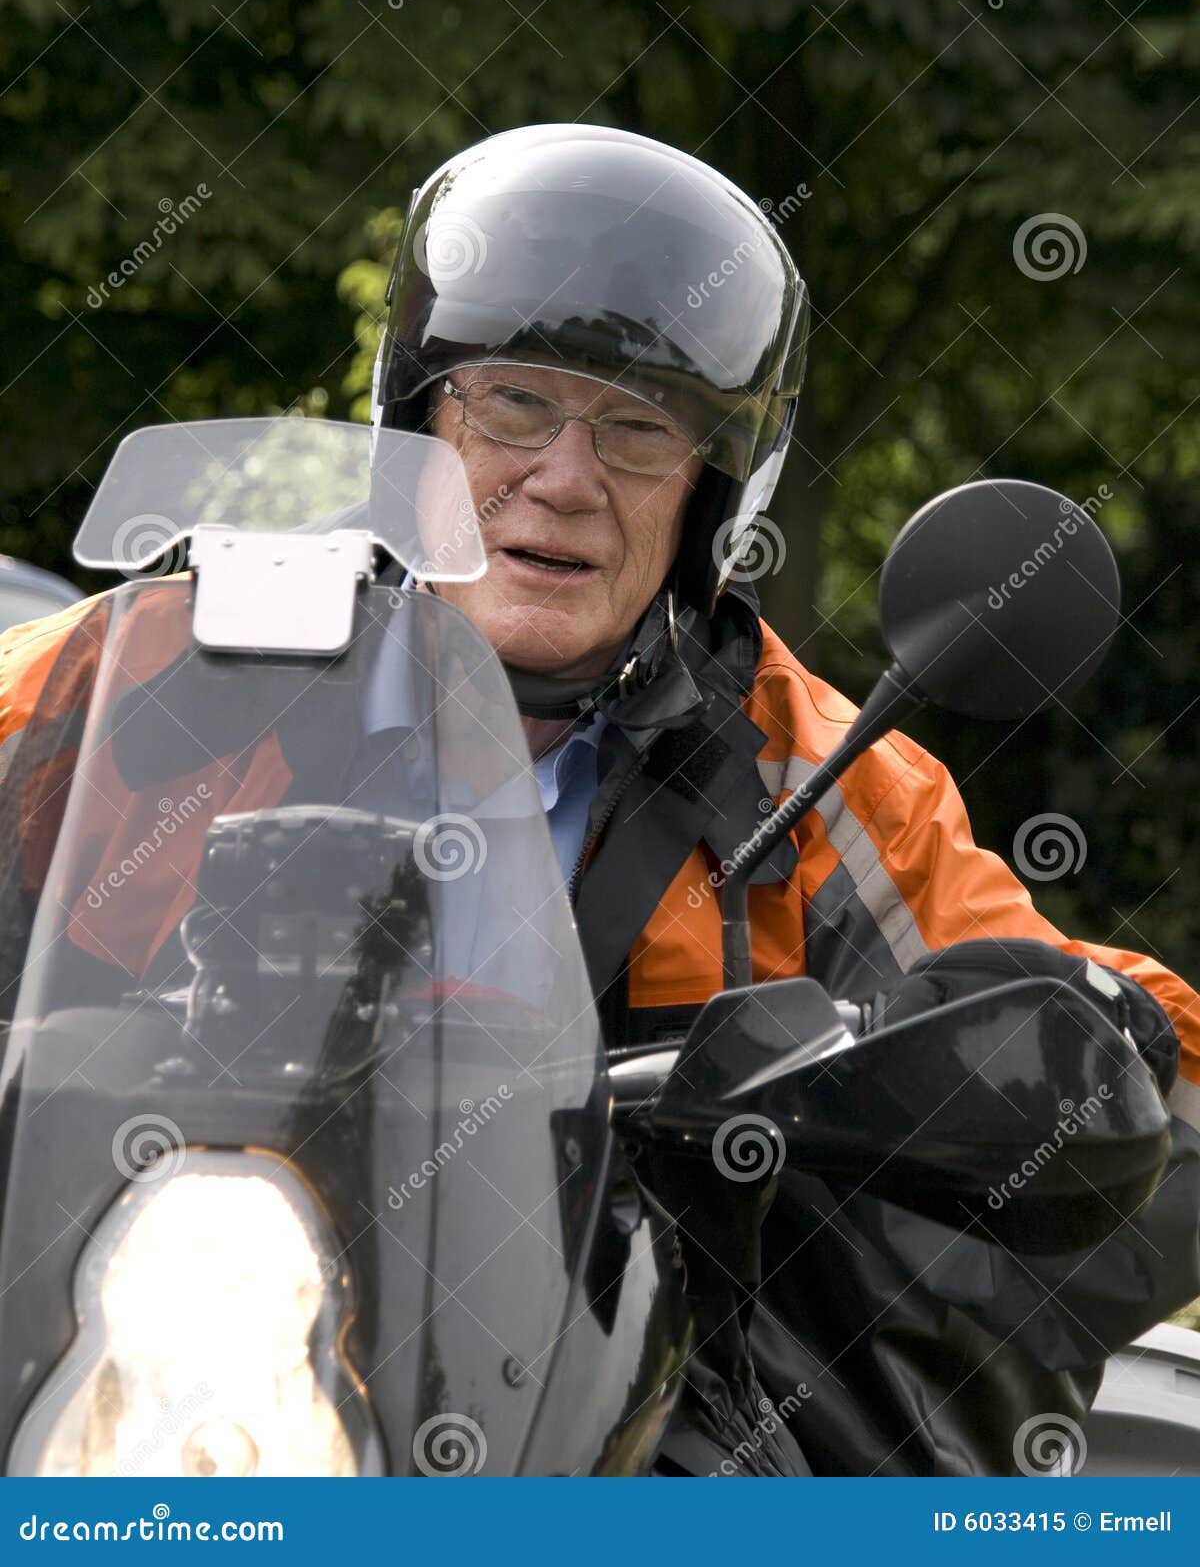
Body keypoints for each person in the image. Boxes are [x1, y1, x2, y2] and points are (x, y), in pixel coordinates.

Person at [1, 124, 1198, 1475]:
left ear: (706, 494)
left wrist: (1097, 1038)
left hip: (617, 1416)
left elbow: (1120, 1048)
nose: (563, 478)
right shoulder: (164, 674)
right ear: (422, 420)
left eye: (637, 429)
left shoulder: (815, 776)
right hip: (158, 1360)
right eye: (513, 405)